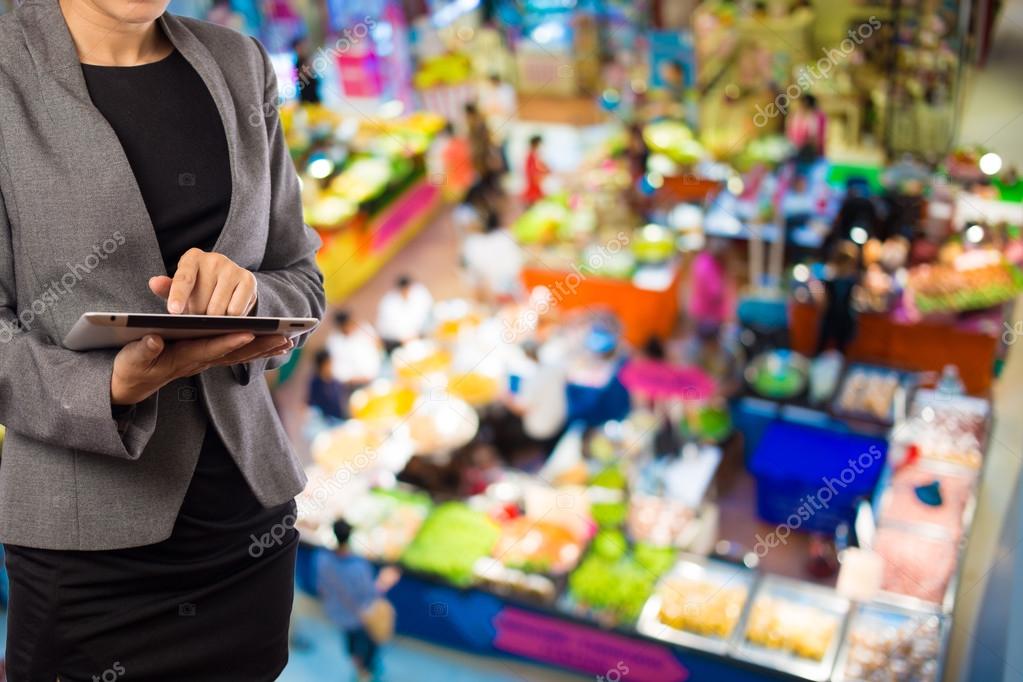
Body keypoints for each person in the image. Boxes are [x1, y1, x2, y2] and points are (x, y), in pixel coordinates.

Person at [0, 1, 326, 679]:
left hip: (244, 524)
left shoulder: (239, 64)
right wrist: (107, 387)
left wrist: (251, 297)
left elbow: (301, 277)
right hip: (88, 550)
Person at [316, 520, 400, 682]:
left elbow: (321, 587)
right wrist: (385, 581)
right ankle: (365, 673)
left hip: (338, 614)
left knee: (352, 645)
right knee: (367, 647)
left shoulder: (322, 559)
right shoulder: (358, 566)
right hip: (360, 618)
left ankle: (359, 669)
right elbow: (370, 595)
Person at [462, 209, 524, 304]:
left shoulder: (471, 245)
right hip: (517, 295)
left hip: (506, 298)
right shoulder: (508, 235)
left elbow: (476, 290)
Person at [814, 242, 861, 355]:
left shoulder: (851, 280)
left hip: (843, 321)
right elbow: (821, 298)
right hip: (830, 319)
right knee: (821, 349)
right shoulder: (828, 277)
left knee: (840, 352)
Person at [376, 274, 434, 353]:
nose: (406, 293)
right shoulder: (388, 302)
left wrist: (418, 333)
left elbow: (428, 312)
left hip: (422, 334)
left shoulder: (420, 292)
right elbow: (385, 328)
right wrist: (402, 338)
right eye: (404, 291)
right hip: (398, 342)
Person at [326, 310, 382, 388]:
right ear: (340, 326)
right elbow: (335, 369)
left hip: (377, 376)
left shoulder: (364, 328)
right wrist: (353, 379)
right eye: (346, 325)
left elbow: (379, 345)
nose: (349, 327)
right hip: (352, 384)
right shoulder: (334, 342)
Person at [464, 101, 501, 206]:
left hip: (482, 156)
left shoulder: (474, 123)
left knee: (485, 176)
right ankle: (491, 193)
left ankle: (488, 196)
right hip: (484, 155)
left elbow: (478, 142)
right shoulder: (480, 120)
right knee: (488, 176)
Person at [309, 349, 348, 422]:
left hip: (340, 419)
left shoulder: (335, 382)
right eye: (329, 363)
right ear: (322, 365)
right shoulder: (315, 384)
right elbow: (313, 407)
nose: (331, 366)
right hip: (324, 422)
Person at [522, 134, 550, 206]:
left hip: (535, 185)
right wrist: (543, 172)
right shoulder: (531, 155)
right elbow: (533, 172)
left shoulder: (534, 155)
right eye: (539, 144)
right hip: (533, 186)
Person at [293, 35, 322, 104]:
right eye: (299, 47)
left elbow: (313, 77)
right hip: (305, 98)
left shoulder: (308, 59)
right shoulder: (298, 62)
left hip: (313, 98)